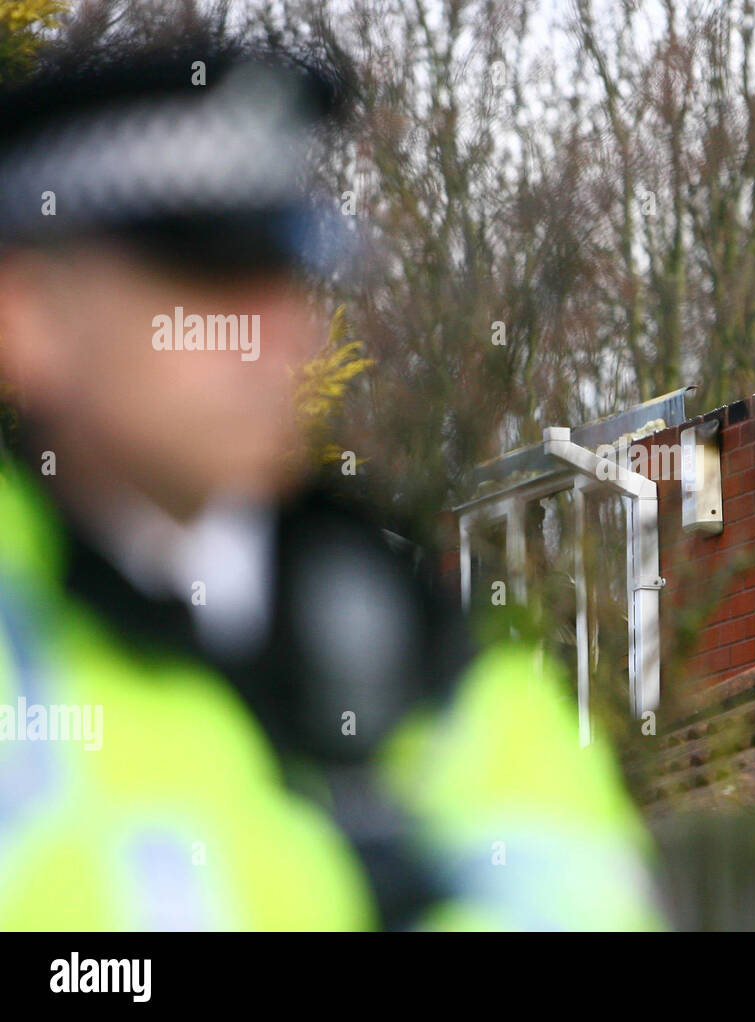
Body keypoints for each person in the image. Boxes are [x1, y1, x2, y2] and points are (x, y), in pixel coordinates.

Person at [0, 36, 662, 931]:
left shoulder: (420, 635)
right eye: (208, 274)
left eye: (289, 272)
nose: (274, 336)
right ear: (30, 318)